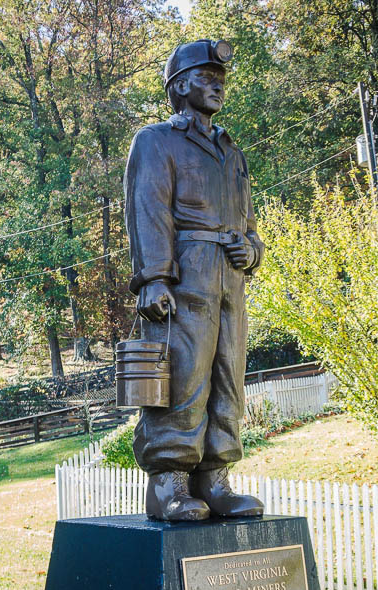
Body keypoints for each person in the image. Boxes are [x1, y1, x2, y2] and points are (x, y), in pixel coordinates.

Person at [124, 39, 265, 521]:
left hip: (230, 279)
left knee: (228, 378)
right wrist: (154, 277)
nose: (217, 87)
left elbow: (249, 222)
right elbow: (148, 209)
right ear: (180, 86)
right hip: (184, 277)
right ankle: (170, 484)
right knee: (182, 377)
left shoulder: (232, 152)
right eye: (207, 78)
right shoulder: (155, 140)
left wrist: (252, 250)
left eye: (221, 80)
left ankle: (215, 480)